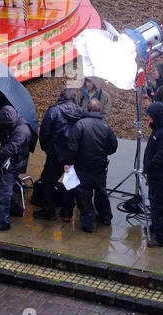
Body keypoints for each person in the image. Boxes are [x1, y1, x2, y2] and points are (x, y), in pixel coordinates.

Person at [66, 97, 118, 233]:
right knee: (101, 191)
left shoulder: (80, 125)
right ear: (100, 110)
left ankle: (88, 223)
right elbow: (113, 147)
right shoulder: (106, 126)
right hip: (100, 167)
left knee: (84, 195)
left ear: (87, 109)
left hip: (82, 166)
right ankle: (106, 217)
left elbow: (72, 147)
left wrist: (68, 163)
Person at [0, 105, 34, 231]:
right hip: (8, 162)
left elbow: (12, 148)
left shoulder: (22, 131)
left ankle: (3, 222)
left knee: (3, 193)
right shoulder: (11, 123)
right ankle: (17, 210)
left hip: (13, 164)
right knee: (5, 189)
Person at [34, 86, 82, 221]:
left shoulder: (54, 111)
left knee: (47, 181)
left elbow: (44, 132)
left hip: (55, 153)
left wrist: (47, 149)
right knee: (70, 183)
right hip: (73, 155)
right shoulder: (80, 112)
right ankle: (67, 214)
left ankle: (48, 212)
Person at [142, 101, 163, 246]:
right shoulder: (161, 127)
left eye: (149, 116)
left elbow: (161, 156)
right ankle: (156, 225)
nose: (148, 119)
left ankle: (161, 237)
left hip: (160, 176)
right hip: (157, 175)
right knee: (155, 202)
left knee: (158, 205)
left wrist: (149, 166)